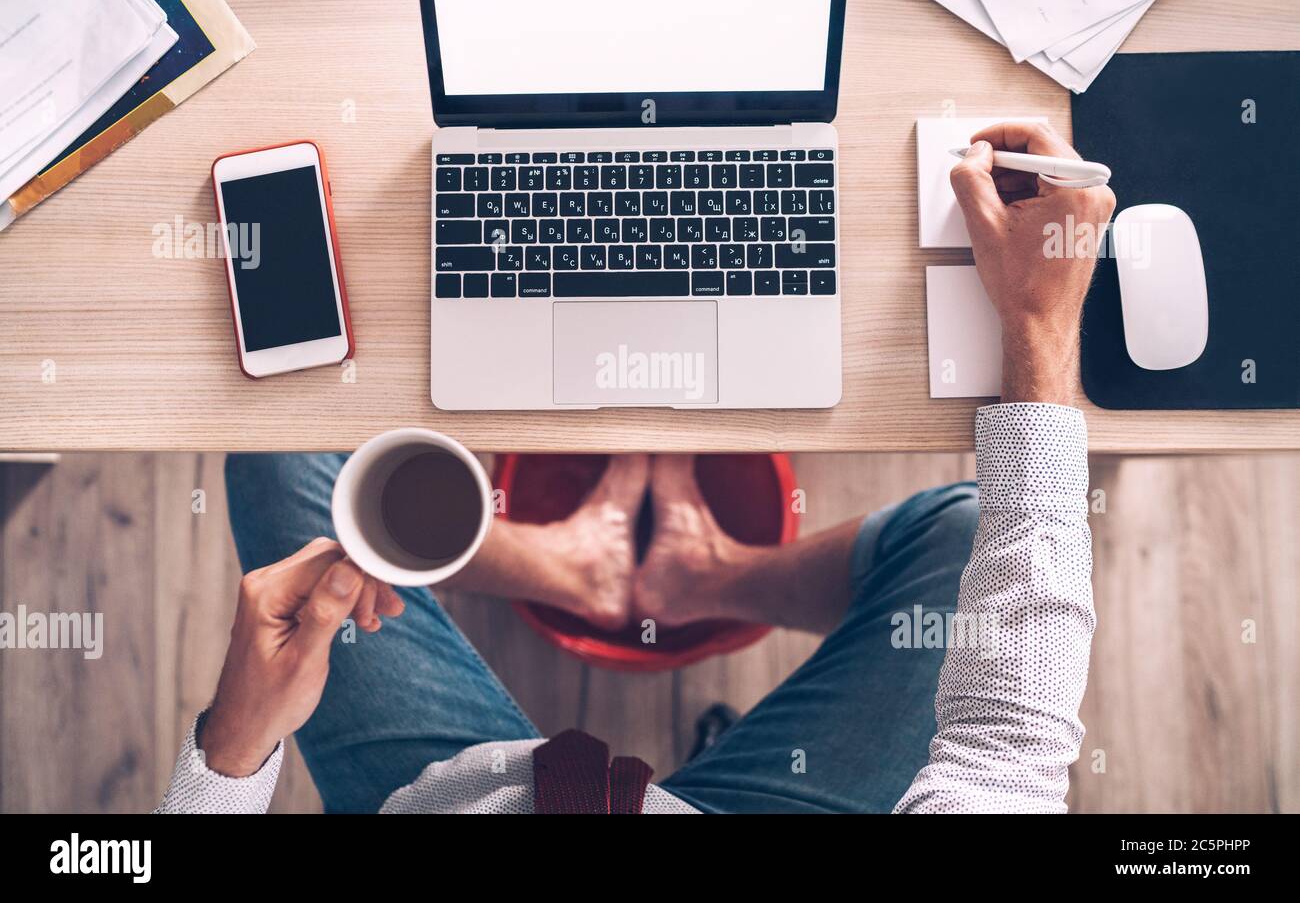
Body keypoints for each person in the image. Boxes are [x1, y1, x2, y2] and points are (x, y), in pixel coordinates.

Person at [158, 122, 1115, 814]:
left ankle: (587, 569)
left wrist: (234, 750)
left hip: (443, 801)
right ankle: (688, 578)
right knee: (960, 534)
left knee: (281, 441)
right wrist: (1033, 326)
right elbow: (1004, 760)